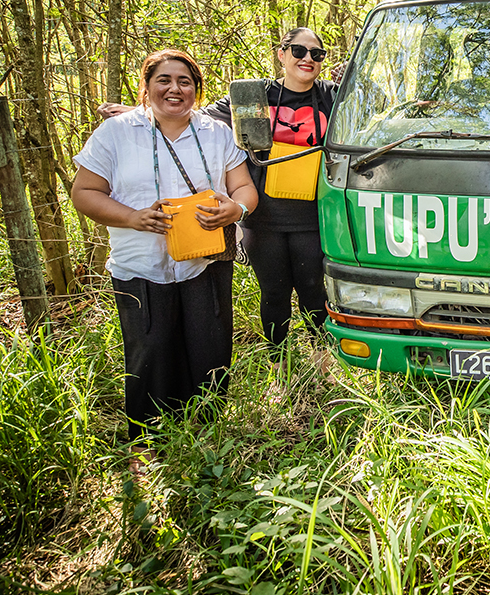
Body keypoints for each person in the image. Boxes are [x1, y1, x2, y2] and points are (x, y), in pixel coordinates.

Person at [99, 28, 339, 367]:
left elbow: (369, 120)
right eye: (299, 50)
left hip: (315, 214)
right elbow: (193, 116)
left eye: (317, 54)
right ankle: (279, 364)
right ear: (282, 54)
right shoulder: (253, 95)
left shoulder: (333, 97)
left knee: (315, 290)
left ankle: (322, 361)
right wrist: (137, 112)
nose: (308, 59)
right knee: (273, 292)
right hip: (264, 215)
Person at [72, 50, 258, 472]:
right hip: (140, 265)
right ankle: (148, 443)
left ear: (197, 88)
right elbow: (85, 193)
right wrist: (133, 217)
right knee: (151, 348)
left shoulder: (216, 133)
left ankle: (209, 433)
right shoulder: (115, 133)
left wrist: (236, 210)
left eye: (185, 81)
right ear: (147, 85)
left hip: (205, 261)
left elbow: (244, 187)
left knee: (209, 345)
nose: (175, 89)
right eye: (165, 80)